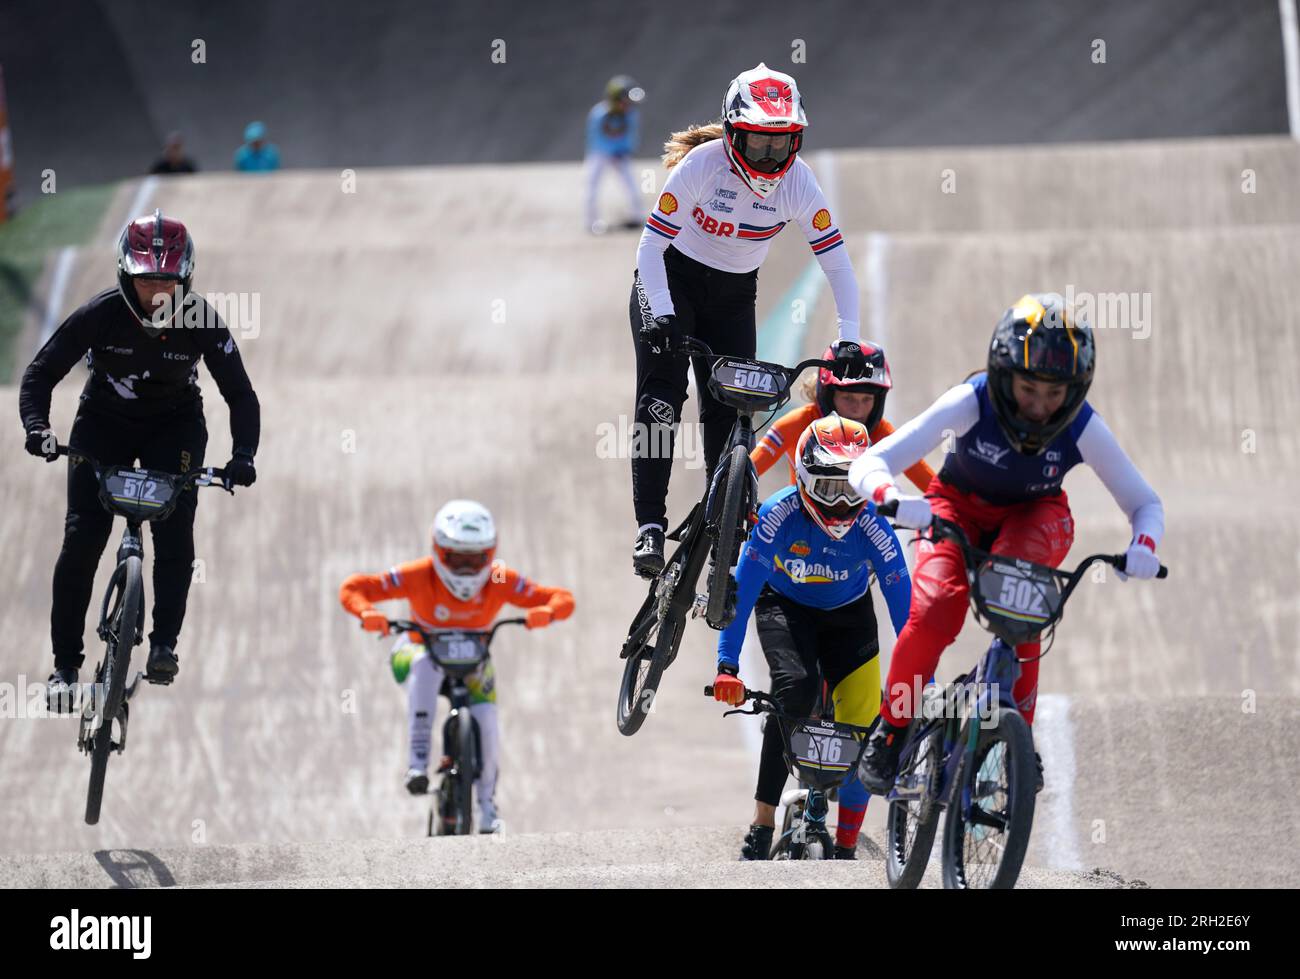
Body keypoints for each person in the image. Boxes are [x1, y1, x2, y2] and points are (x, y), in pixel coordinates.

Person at [850, 293, 1165, 793]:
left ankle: (1016, 731)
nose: (1040, 407)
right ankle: (892, 727)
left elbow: (1144, 504)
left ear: (1076, 389)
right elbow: (870, 461)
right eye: (1028, 389)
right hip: (957, 506)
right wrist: (890, 496)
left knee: (1022, 603)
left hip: (1033, 514)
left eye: (1054, 393)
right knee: (933, 613)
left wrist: (1144, 546)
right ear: (1002, 374)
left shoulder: (1083, 425)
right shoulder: (971, 400)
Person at [630, 62, 867, 579]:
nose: (767, 158)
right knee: (662, 396)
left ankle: (723, 518)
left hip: (733, 295)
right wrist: (665, 316)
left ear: (796, 143)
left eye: (779, 146)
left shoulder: (800, 184)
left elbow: (838, 264)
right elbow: (650, 247)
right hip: (669, 280)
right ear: (733, 135)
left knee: (730, 405)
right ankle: (649, 523)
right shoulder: (700, 165)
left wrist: (849, 340)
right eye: (757, 144)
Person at [20, 210, 260, 708]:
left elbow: (240, 393)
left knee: (175, 537)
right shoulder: (100, 313)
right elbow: (40, 374)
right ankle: (65, 666)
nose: (157, 293)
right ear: (125, 278)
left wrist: (243, 455)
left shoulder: (201, 319)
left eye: (167, 282)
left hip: (174, 425)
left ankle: (163, 645)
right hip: (103, 423)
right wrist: (39, 429)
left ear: (185, 280)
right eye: (147, 281)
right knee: (82, 539)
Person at [711, 415, 911, 860]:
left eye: (851, 489)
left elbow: (905, 610)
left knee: (864, 716)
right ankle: (762, 823)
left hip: (849, 618)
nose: (841, 505)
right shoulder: (776, 516)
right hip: (785, 609)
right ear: (801, 479)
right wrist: (727, 665)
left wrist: (922, 676)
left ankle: (846, 843)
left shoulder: (874, 525)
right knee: (794, 695)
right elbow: (739, 599)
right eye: (828, 488)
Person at [339, 500, 575, 833]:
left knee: (490, 726)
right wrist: (368, 613)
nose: (466, 568)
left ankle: (487, 806)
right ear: (439, 550)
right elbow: (354, 588)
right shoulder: (418, 573)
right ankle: (417, 763)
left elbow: (562, 597)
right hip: (416, 650)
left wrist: (547, 613)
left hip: (474, 660)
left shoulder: (499, 578)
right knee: (424, 666)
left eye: (475, 558)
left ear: (490, 555)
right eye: (457, 558)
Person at [752, 340, 934, 492]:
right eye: (848, 398)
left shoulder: (883, 433)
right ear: (827, 395)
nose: (857, 409)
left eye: (867, 399)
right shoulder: (795, 424)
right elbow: (745, 472)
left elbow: (934, 488)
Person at [585, 75, 644, 234]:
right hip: (600, 154)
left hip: (620, 154)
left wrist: (624, 151)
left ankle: (637, 216)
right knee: (592, 186)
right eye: (624, 101)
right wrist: (611, 152)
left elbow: (631, 136)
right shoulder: (599, 114)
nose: (627, 105)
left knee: (630, 184)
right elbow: (597, 138)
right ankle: (591, 222)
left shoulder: (631, 114)